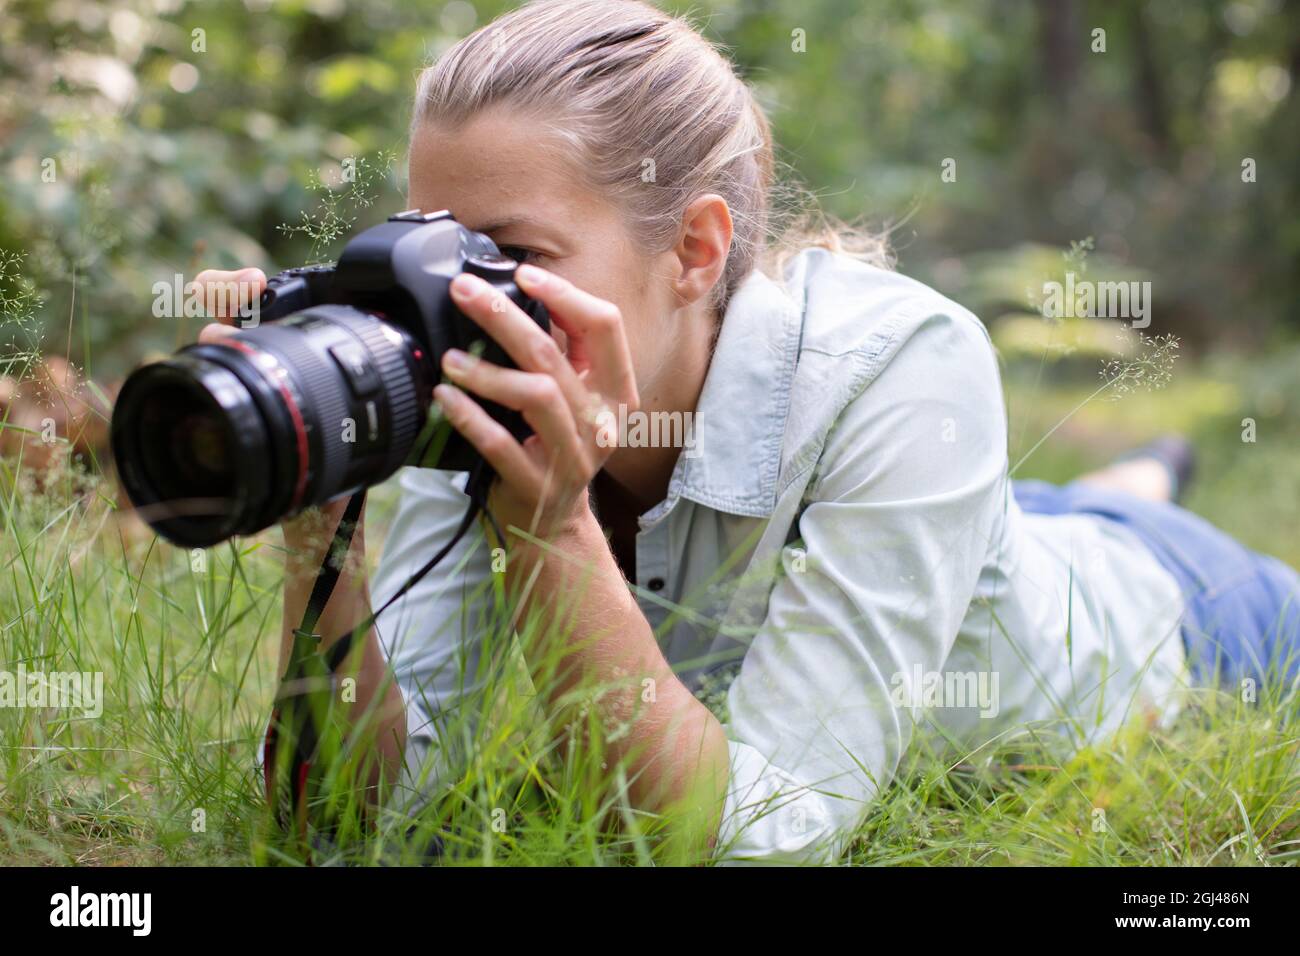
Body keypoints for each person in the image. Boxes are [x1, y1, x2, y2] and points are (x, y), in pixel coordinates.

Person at [191, 0, 1300, 864]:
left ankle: (1141, 492)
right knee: (1032, 513)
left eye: (505, 257)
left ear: (695, 247)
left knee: (1107, 542)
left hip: (1177, 611)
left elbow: (763, 836)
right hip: (943, 534)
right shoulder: (484, 378)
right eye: (433, 249)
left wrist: (551, 527)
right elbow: (352, 821)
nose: (452, 302)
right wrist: (318, 527)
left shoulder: (909, 363)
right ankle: (1136, 476)